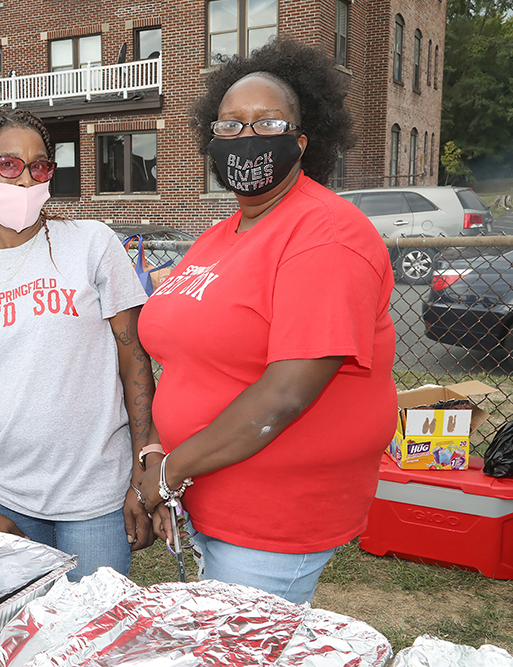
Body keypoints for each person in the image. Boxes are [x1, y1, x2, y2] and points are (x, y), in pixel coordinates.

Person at [137, 38, 397, 605]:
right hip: (205, 491)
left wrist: (169, 474)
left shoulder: (326, 235)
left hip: (275, 517)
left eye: (266, 122)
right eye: (228, 126)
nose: (245, 137)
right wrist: (158, 455)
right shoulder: (219, 234)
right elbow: (185, 362)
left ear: (302, 141)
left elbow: (284, 394)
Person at [0, 109, 157, 581]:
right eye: (8, 165)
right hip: (9, 498)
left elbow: (135, 364)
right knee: (24, 634)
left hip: (96, 501)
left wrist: (144, 470)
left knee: (89, 640)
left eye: (40, 166)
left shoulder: (91, 244)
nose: (26, 178)